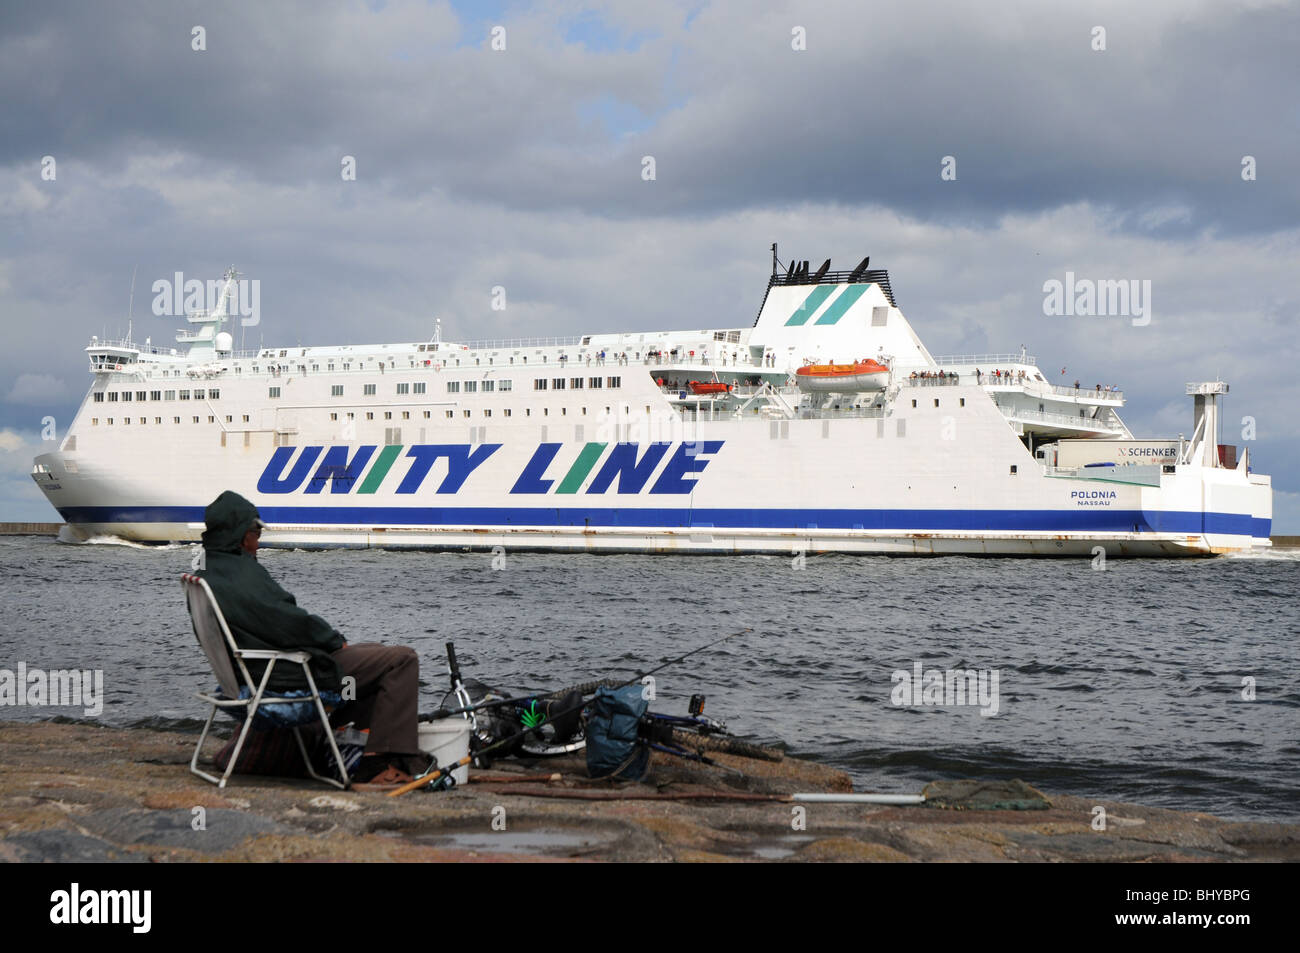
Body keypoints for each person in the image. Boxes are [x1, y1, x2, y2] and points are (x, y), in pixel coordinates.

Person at [196, 490, 422, 787]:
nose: (258, 541)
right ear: (241, 535)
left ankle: (339, 741)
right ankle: (376, 760)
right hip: (283, 674)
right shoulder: (243, 574)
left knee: (372, 654)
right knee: (401, 660)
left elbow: (277, 624)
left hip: (252, 674)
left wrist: (327, 641)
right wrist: (330, 640)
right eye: (255, 533)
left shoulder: (212, 569)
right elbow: (288, 622)